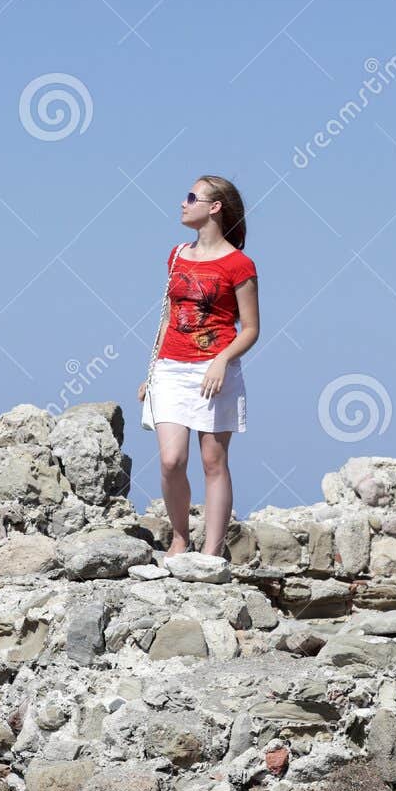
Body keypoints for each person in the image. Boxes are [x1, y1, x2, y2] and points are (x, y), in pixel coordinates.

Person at [137, 175, 260, 560]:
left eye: (192, 197)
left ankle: (211, 552)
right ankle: (179, 538)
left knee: (213, 461)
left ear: (215, 207)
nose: (183, 203)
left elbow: (251, 328)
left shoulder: (239, 264)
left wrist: (222, 360)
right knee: (172, 460)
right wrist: (151, 370)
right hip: (171, 368)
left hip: (214, 369)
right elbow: (168, 316)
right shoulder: (175, 255)